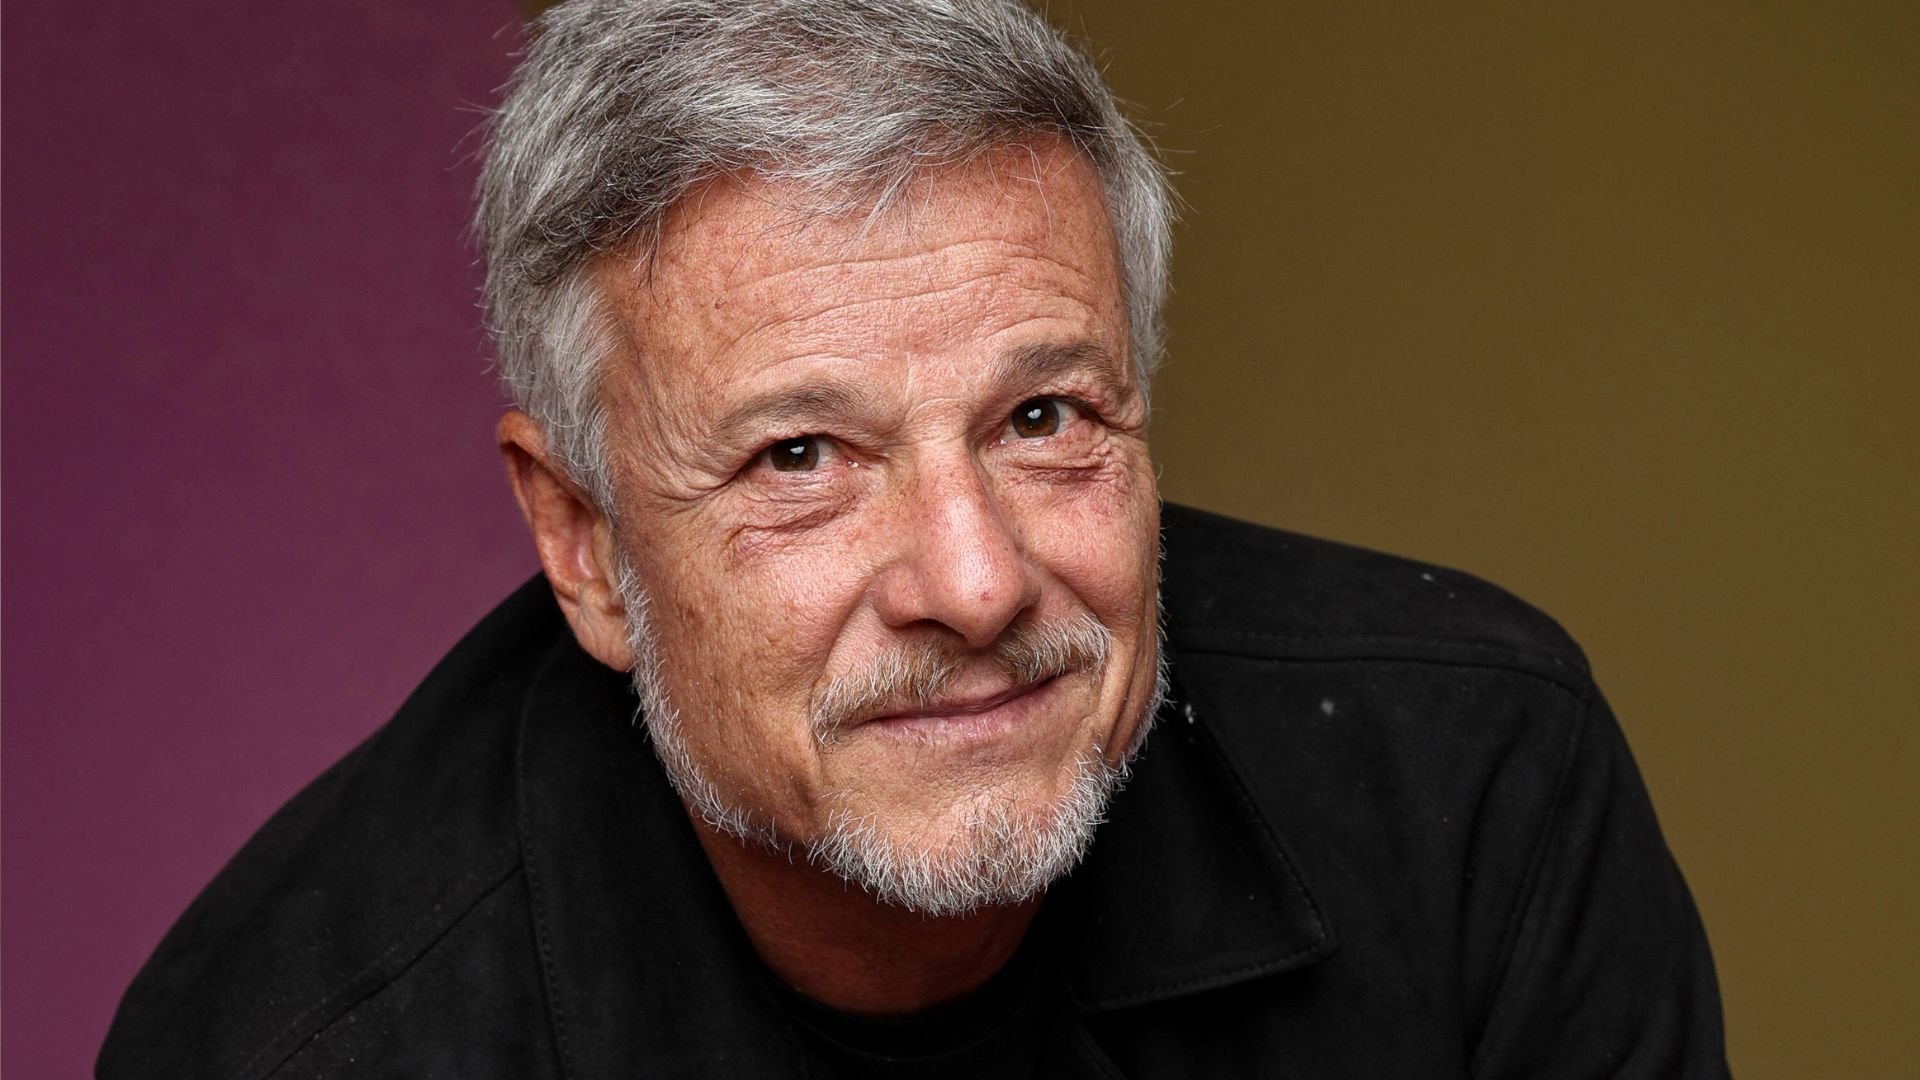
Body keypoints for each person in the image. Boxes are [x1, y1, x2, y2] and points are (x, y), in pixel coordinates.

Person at [100, 1, 1729, 1076]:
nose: (976, 580)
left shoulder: (1474, 795)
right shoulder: (300, 1045)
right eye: (801, 456)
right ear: (585, 543)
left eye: (1042, 418)